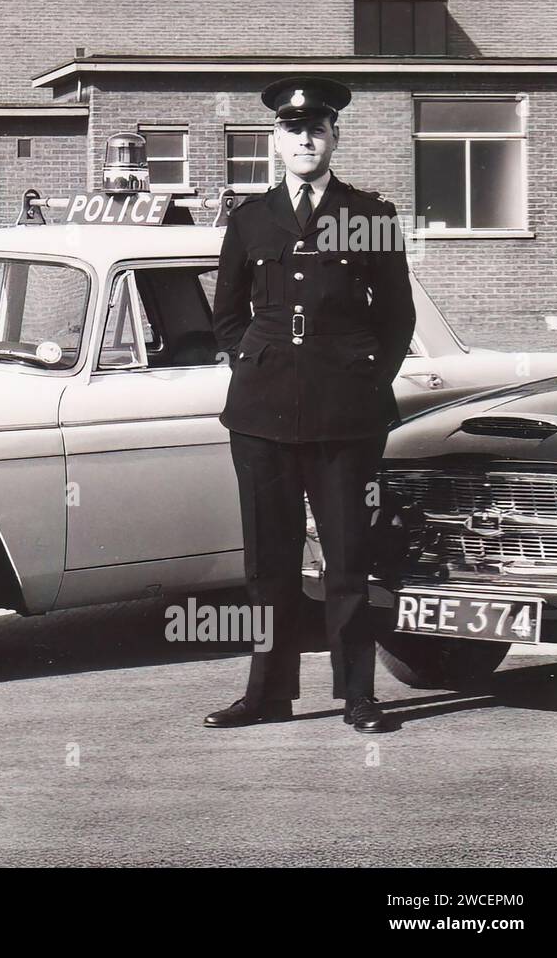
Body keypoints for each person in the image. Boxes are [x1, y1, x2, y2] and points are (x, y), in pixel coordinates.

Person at [207, 76, 415, 734]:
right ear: (275, 141)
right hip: (261, 417)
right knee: (268, 564)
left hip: (345, 417)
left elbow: (399, 316)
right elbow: (226, 317)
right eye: (292, 130)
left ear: (333, 137)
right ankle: (268, 692)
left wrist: (366, 376)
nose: (305, 140)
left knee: (348, 561)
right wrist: (256, 359)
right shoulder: (248, 219)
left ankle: (359, 696)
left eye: (316, 129)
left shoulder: (370, 216)